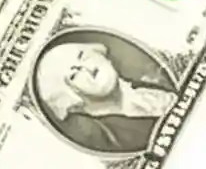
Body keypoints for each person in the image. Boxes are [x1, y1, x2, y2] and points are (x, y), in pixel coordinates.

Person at [36, 39, 178, 154]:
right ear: (73, 102)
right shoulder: (112, 139)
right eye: (73, 76)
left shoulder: (155, 78)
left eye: (82, 56)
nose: (84, 67)